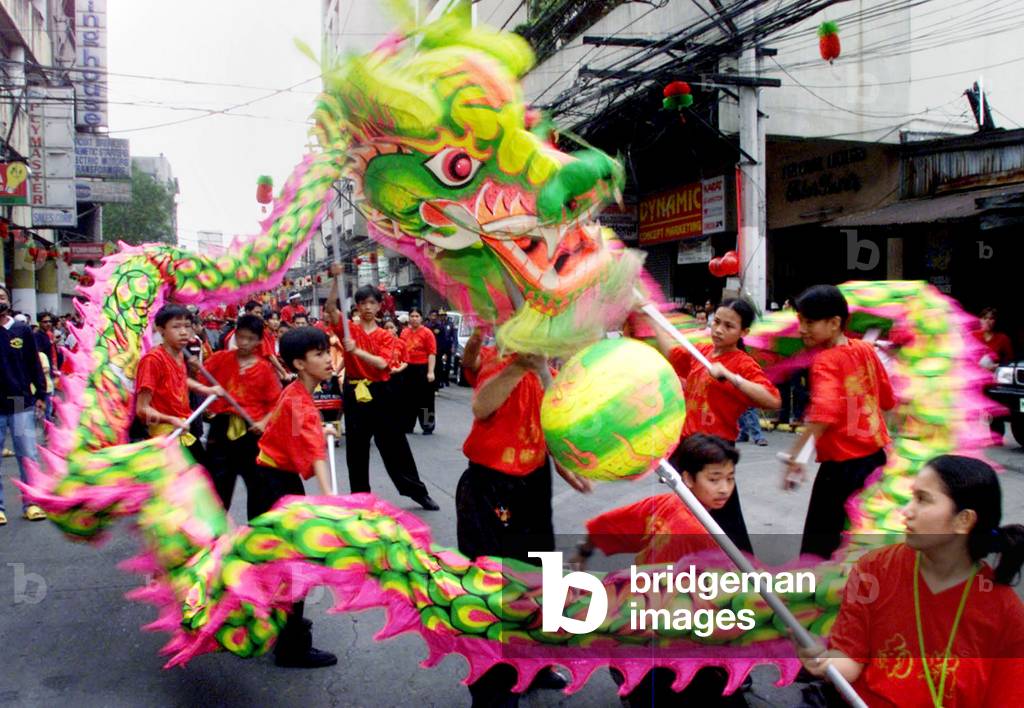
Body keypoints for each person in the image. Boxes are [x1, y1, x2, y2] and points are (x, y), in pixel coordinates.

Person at [798, 455, 1024, 706]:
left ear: (964, 520)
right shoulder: (874, 569)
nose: (906, 511)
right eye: (911, 497)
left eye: (923, 500)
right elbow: (851, 659)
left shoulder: (1006, 612)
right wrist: (827, 663)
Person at [576, 434, 752, 707]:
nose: (724, 488)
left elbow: (605, 525)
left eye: (730, 478)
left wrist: (583, 552)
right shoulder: (699, 533)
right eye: (714, 479)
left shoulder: (663, 505)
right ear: (688, 478)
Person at [457, 347, 590, 705]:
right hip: (492, 485)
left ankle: (533, 664)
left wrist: (563, 462)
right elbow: (482, 407)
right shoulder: (497, 357)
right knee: (494, 590)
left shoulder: (547, 364)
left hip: (533, 483)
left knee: (537, 581)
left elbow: (552, 421)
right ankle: (491, 687)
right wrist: (519, 366)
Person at [782, 285, 895, 560]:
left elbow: (823, 414)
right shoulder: (865, 350)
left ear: (834, 323)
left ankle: (817, 594)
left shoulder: (825, 361)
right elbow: (887, 399)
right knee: (865, 536)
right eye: (800, 322)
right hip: (876, 460)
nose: (802, 329)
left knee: (819, 543)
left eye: (809, 322)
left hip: (842, 468)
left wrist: (796, 457)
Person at [252, 326, 338, 669]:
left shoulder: (297, 393)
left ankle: (280, 630)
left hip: (271, 479)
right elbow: (312, 447)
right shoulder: (299, 398)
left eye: (326, 351)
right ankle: (291, 648)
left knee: (284, 564)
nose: (328, 359)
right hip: (275, 484)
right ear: (300, 363)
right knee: (293, 565)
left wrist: (323, 426)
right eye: (318, 354)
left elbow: (301, 429)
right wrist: (329, 496)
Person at [325, 271, 438, 510]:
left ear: (379, 306)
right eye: (363, 302)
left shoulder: (387, 337)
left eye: (372, 302)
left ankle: (416, 491)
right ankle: (360, 498)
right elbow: (330, 310)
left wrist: (355, 351)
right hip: (355, 392)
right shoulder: (348, 330)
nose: (367, 307)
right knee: (356, 448)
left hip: (381, 392)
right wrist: (336, 280)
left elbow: (382, 364)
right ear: (356, 306)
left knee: (394, 444)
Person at [643, 298, 781, 443]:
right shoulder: (701, 351)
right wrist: (652, 319)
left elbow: (773, 400)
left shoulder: (744, 364)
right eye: (716, 322)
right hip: (687, 441)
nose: (719, 330)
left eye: (729, 326)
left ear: (744, 332)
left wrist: (730, 376)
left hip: (716, 448)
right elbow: (671, 353)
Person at [202, 314, 282, 513]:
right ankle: (216, 536)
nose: (244, 342)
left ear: (259, 341)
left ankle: (255, 537)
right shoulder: (219, 359)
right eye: (241, 337)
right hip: (222, 428)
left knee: (258, 488)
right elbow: (202, 384)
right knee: (217, 488)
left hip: (252, 433)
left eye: (250, 339)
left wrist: (263, 422)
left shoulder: (264, 369)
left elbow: (276, 404)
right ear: (235, 335)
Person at [134, 304, 223, 466]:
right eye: (176, 327)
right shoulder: (152, 360)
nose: (183, 332)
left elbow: (179, 379)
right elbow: (142, 409)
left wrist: (206, 389)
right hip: (165, 438)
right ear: (161, 330)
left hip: (182, 431)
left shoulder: (179, 353)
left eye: (187, 326)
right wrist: (172, 420)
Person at [0, 285, 47, 524]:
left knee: (27, 455)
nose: (0, 300)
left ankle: (32, 503)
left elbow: (34, 363)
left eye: (2, 296)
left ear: (9, 300)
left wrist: (41, 393)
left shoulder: (22, 330)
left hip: (20, 402)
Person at [974, 307, 1014, 446]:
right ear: (980, 320)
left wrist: (996, 367)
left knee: (995, 411)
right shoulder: (973, 336)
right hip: (976, 379)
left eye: (991, 318)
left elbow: (1010, 362)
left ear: (995, 321)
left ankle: (996, 438)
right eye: (985, 318)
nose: (988, 321)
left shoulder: (1003, 339)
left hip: (994, 380)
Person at [399, 308, 436, 434]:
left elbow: (432, 353)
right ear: (409, 318)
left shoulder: (427, 333)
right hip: (408, 368)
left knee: (425, 400)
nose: (414, 318)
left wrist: (430, 372)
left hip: (422, 368)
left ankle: (427, 425)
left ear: (421, 318)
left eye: (417, 316)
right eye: (412, 316)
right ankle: (407, 425)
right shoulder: (404, 332)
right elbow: (401, 351)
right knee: (408, 400)